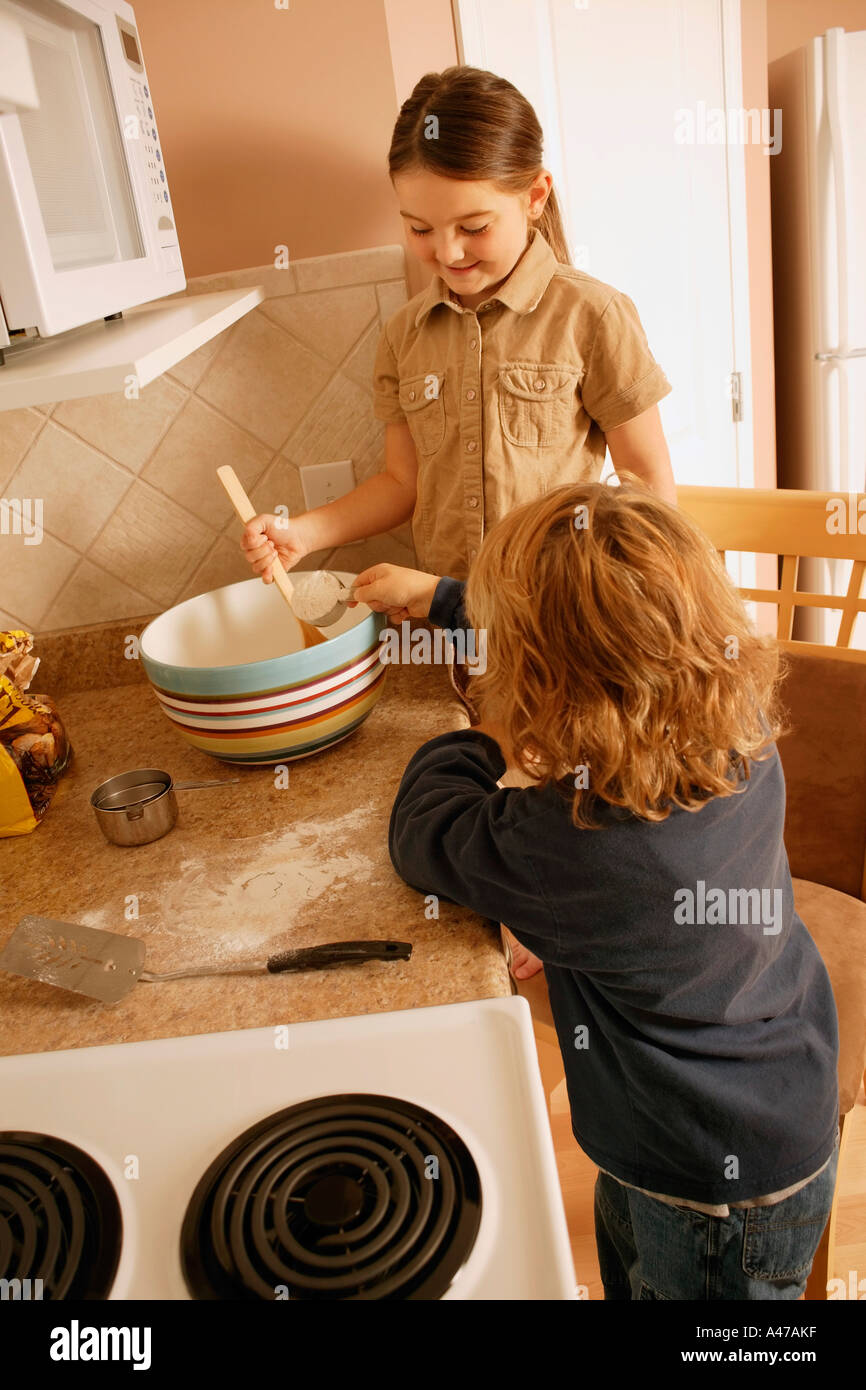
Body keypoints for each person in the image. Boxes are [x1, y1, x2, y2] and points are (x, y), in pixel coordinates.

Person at [355, 478, 840, 1302]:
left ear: (540, 684)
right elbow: (604, 634)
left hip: (709, 1189)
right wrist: (439, 598)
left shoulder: (571, 844)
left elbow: (424, 828)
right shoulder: (738, 724)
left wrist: (475, 737)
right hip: (760, 1098)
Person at [239, 65, 674, 594]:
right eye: (420, 228)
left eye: (474, 227)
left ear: (534, 197)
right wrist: (302, 532)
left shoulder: (593, 315)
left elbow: (646, 486)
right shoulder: (405, 336)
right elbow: (403, 482)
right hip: (447, 618)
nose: (446, 252)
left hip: (561, 616)